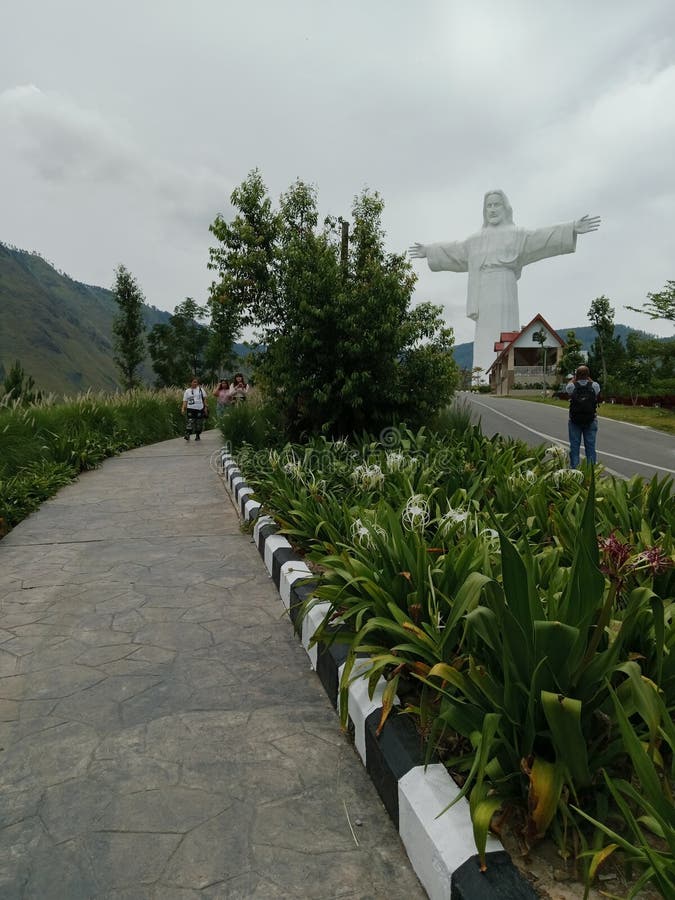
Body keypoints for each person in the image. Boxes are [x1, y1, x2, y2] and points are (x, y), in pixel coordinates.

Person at [409, 191, 601, 378]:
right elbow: (454, 250)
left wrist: (572, 227)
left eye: (496, 204)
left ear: (506, 208)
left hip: (505, 287)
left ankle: (502, 374)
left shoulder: (516, 234)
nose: (492, 209)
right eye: (488, 205)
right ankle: (481, 377)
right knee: (485, 335)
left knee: (506, 333)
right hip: (482, 292)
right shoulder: (475, 240)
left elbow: (540, 237)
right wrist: (430, 250)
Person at [565, 365, 601, 467]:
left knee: (574, 447)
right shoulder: (595, 386)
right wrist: (589, 378)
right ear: (588, 375)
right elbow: (597, 391)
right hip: (591, 419)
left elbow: (567, 389)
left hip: (575, 420)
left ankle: (575, 471)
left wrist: (574, 379)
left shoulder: (572, 386)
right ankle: (591, 472)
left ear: (576, 375)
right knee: (590, 447)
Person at [181, 377, 208, 441]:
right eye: (194, 382)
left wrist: (206, 408)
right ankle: (187, 434)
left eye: (196, 382)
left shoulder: (201, 390)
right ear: (190, 383)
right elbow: (185, 401)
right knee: (190, 422)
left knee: (198, 423)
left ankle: (197, 435)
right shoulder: (187, 391)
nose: (195, 383)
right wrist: (183, 408)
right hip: (190, 408)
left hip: (199, 408)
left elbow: (205, 400)